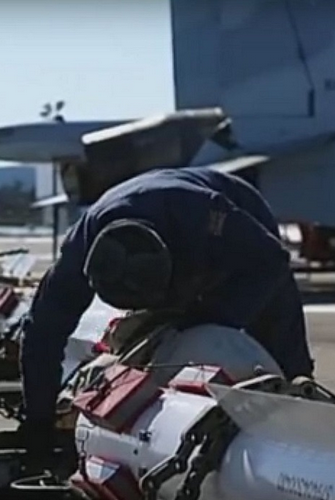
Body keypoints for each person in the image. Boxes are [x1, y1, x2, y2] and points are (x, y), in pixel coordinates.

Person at [18, 166, 314, 470]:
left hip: (238, 220)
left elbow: (272, 262)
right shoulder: (81, 246)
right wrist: (38, 418)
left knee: (277, 338)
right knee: (164, 343)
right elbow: (42, 333)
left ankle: (308, 424)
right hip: (167, 231)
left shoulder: (205, 214)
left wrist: (216, 318)